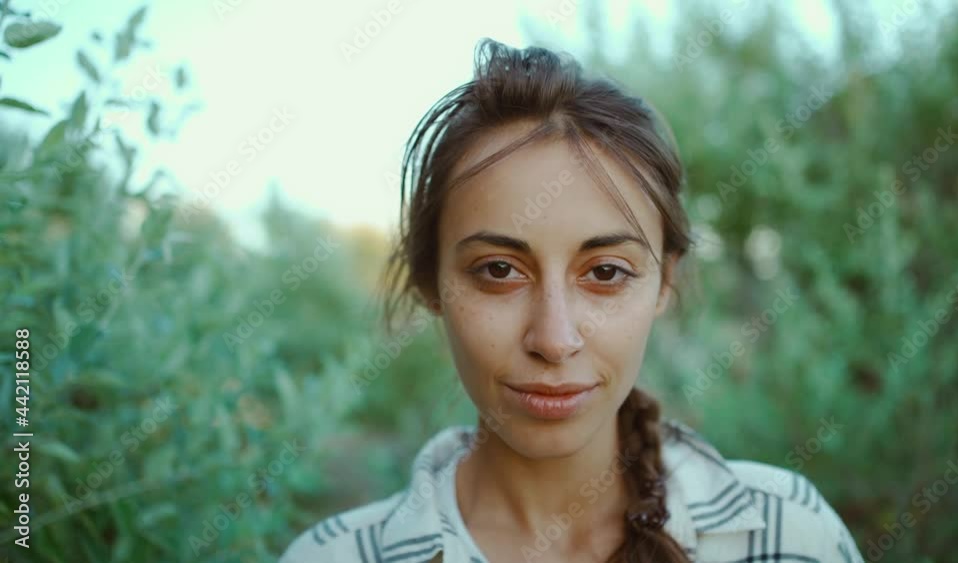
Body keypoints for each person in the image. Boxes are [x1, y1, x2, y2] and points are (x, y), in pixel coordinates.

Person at [280, 38, 863, 563]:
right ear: (432, 283)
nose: (555, 339)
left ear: (664, 282)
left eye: (605, 272)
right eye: (499, 270)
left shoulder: (790, 536)